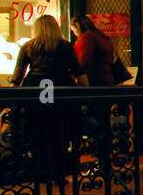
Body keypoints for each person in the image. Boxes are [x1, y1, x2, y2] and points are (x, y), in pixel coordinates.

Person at [10, 15, 89, 183]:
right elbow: (78, 72)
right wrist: (85, 93)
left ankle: (41, 172)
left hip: (35, 91)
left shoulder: (28, 47)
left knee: (38, 133)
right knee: (60, 133)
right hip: (61, 90)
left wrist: (16, 99)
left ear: (36, 29)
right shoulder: (65, 47)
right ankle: (58, 173)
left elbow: (17, 76)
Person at [70, 16, 121, 86]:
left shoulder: (87, 37)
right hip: (107, 79)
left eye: (73, 30)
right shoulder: (101, 36)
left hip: (93, 81)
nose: (74, 34)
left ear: (77, 25)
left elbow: (83, 62)